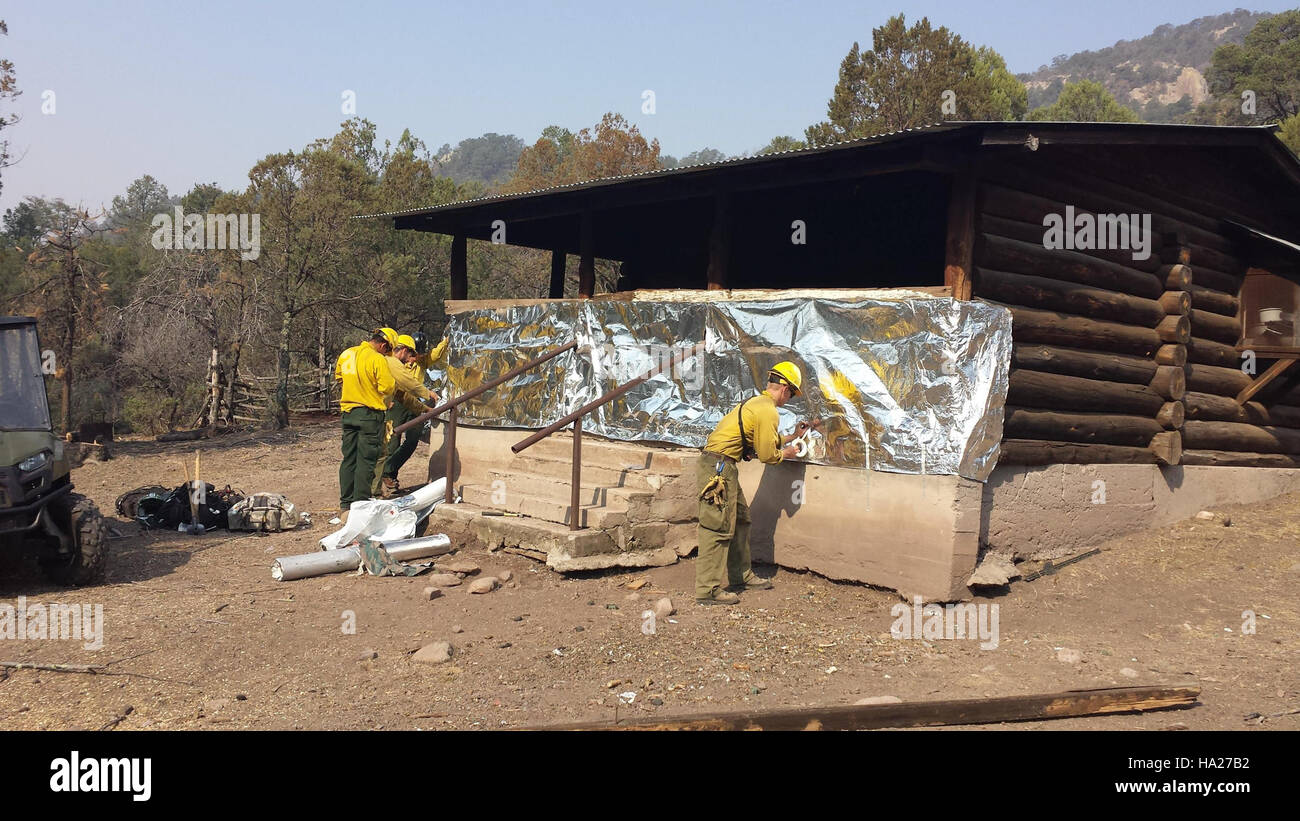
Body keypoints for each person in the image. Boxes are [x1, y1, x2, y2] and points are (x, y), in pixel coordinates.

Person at [695, 361, 820, 606]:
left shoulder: (757, 404)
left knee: (741, 520)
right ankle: (707, 591)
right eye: (792, 394)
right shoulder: (768, 410)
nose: (790, 399)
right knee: (717, 527)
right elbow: (768, 455)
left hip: (722, 467)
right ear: (785, 388)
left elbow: (766, 440)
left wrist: (793, 436)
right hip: (718, 470)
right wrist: (789, 453)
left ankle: (741, 575)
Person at [335, 327, 397, 516]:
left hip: (348, 414)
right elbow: (388, 386)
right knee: (366, 461)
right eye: (388, 351)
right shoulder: (376, 359)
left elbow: (340, 379)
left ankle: (345, 504)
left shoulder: (346, 354)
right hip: (370, 416)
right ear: (383, 345)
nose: (387, 355)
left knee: (349, 459)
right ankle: (360, 506)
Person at [375, 332, 443, 497]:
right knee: (392, 442)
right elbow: (403, 383)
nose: (414, 358)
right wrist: (427, 393)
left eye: (416, 354)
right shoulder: (394, 362)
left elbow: (435, 355)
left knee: (412, 440)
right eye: (412, 354)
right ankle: (387, 481)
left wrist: (445, 341)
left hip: (414, 404)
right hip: (397, 403)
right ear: (404, 350)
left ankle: (389, 472)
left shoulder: (421, 361)